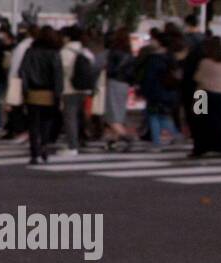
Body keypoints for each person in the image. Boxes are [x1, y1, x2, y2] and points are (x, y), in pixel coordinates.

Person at [19, 25, 62, 164]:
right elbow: (57, 75)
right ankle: (44, 146)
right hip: (49, 91)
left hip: (32, 91)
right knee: (46, 122)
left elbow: (23, 71)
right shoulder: (54, 53)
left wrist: (24, 91)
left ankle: (33, 152)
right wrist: (58, 93)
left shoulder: (30, 52)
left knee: (33, 123)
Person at [190, 36, 221, 157]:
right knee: (218, 121)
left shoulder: (204, 62)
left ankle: (200, 148)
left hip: (202, 94)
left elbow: (198, 78)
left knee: (199, 122)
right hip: (219, 94)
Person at [140, 31, 181, 147]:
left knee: (153, 115)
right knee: (162, 115)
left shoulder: (154, 59)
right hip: (168, 91)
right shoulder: (170, 56)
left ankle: (157, 141)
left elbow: (149, 77)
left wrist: (144, 90)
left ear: (159, 42)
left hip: (155, 91)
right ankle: (175, 134)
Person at [58, 25, 94, 155]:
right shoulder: (86, 51)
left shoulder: (64, 52)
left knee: (70, 118)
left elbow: (62, 72)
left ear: (67, 37)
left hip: (69, 89)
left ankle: (72, 146)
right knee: (80, 116)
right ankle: (80, 140)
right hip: (85, 89)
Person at [102, 27, 135, 151]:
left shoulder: (114, 52)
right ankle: (112, 142)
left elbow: (110, 70)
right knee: (118, 113)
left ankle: (126, 137)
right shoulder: (129, 53)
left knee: (111, 115)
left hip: (114, 83)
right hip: (125, 85)